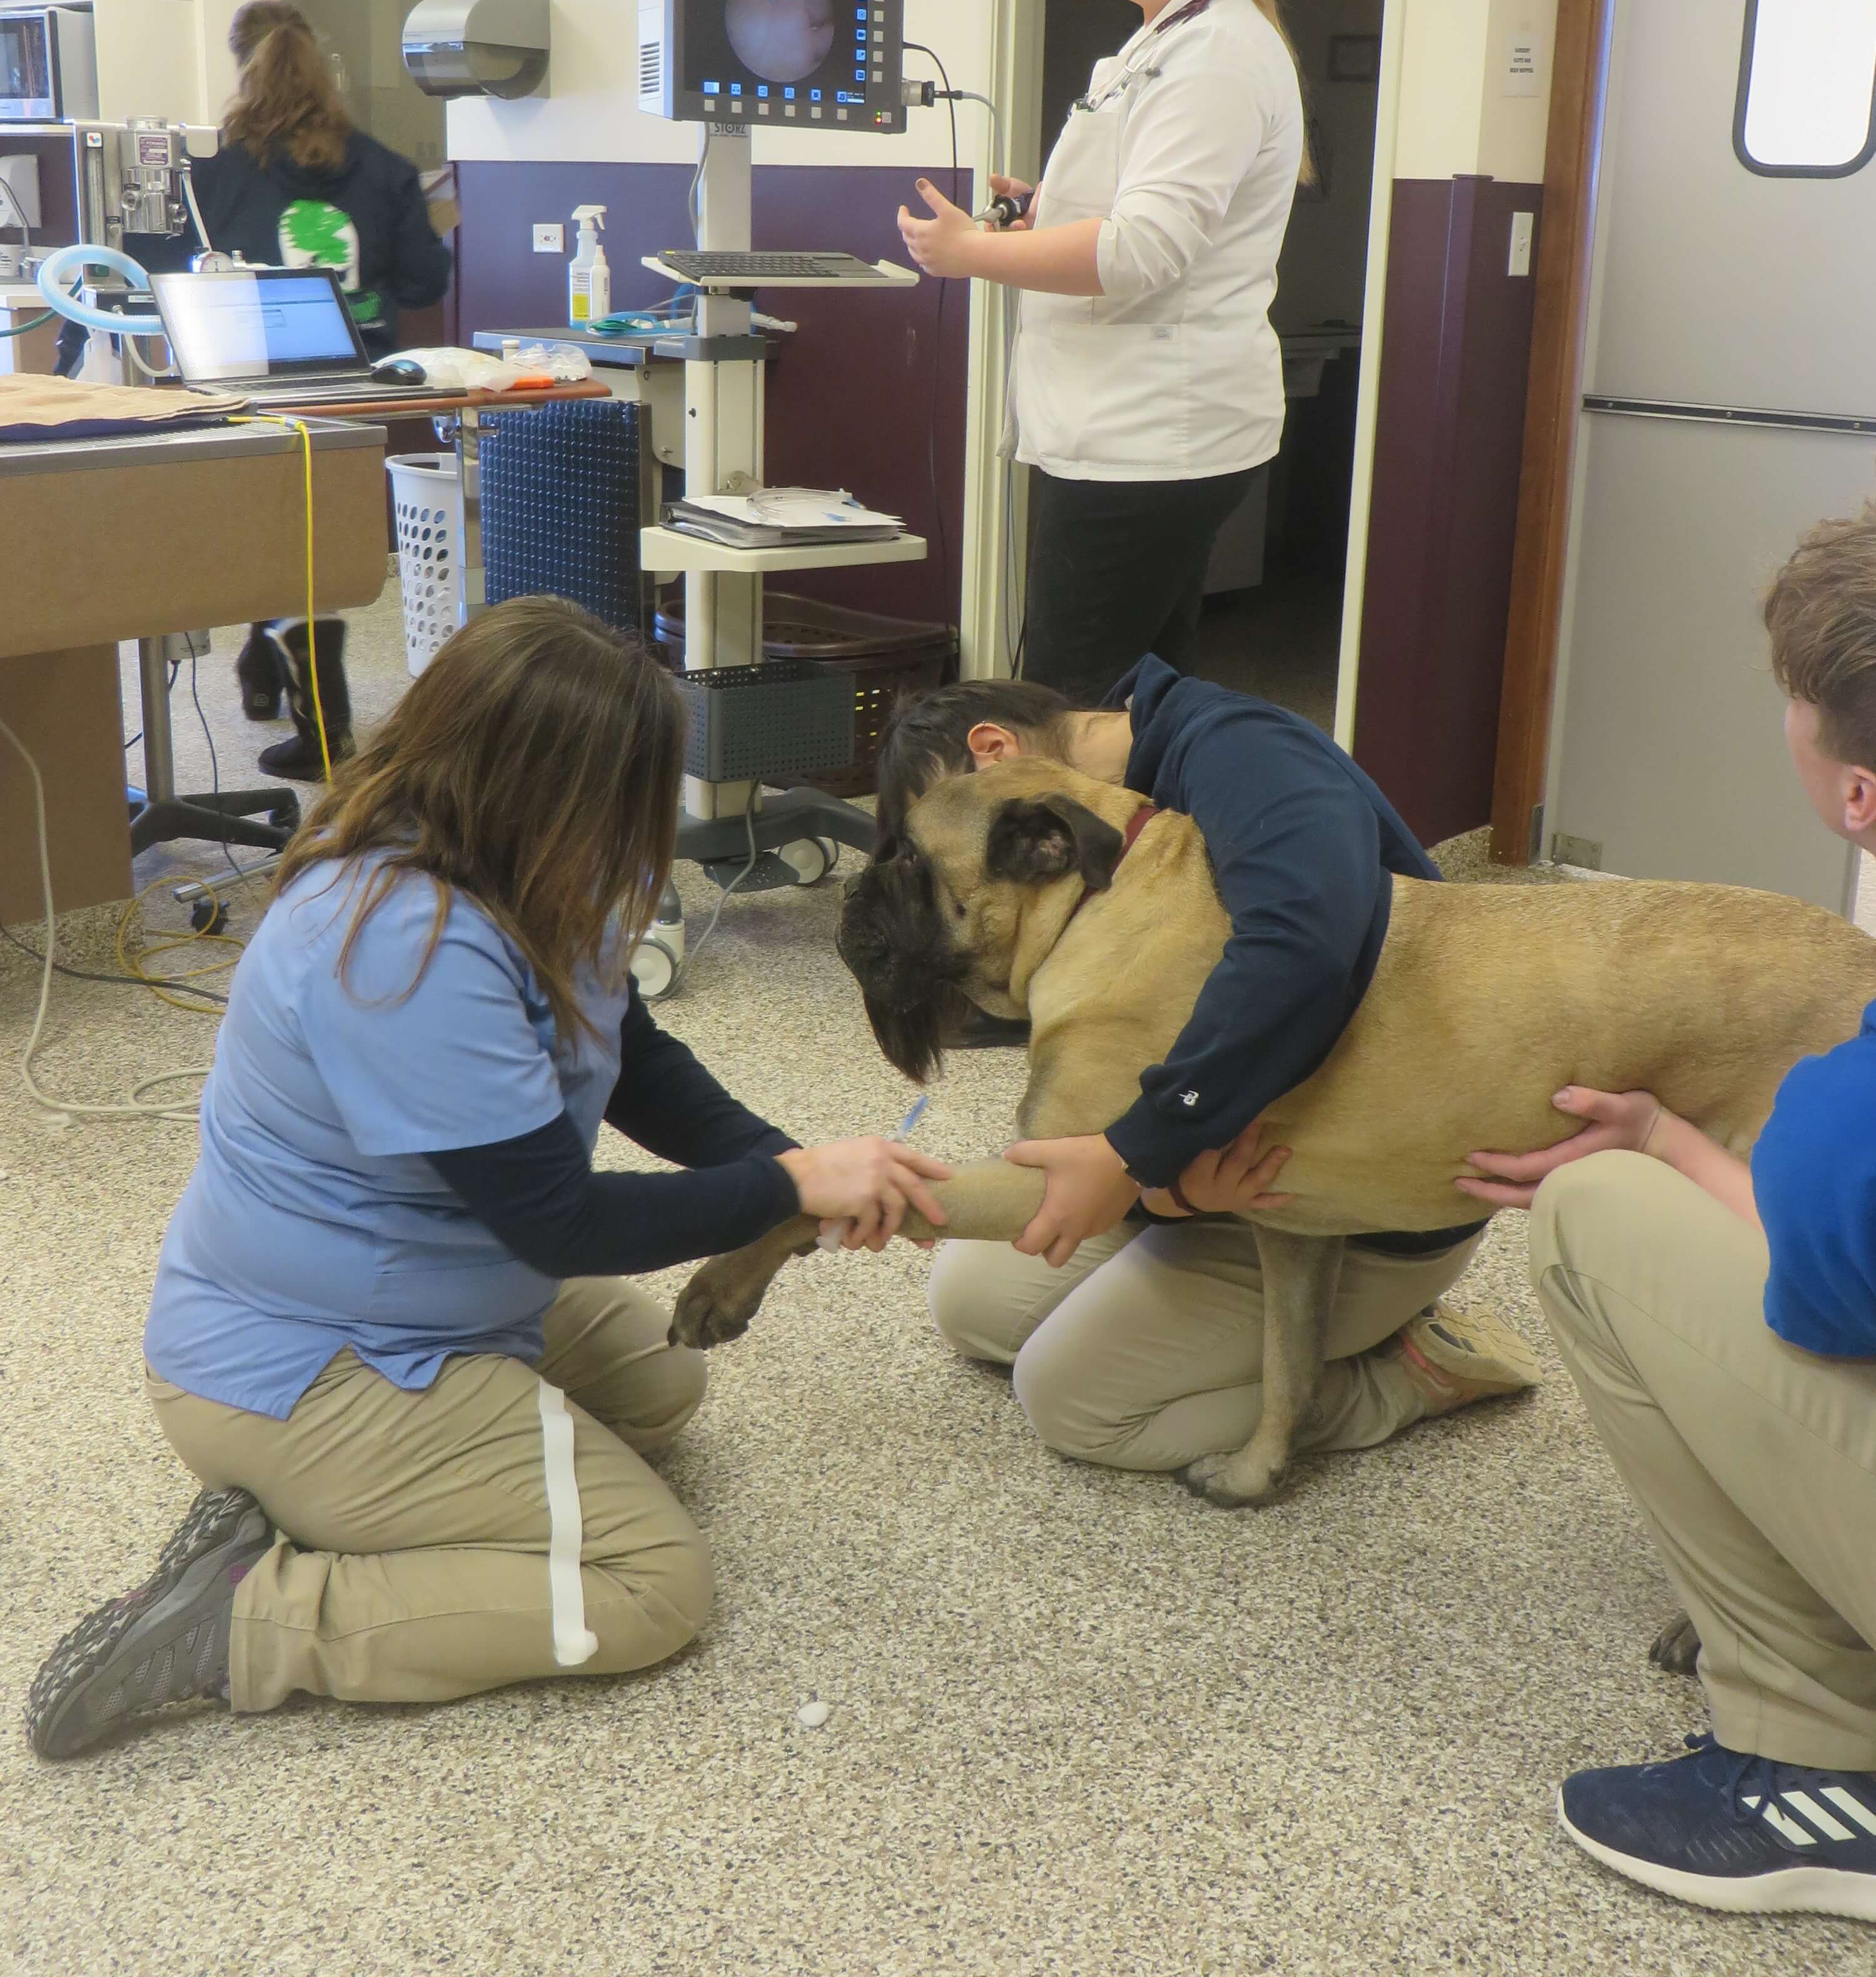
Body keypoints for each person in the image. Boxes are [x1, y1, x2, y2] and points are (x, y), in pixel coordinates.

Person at [24, 598, 952, 1761]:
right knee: (652, 1586)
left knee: (660, 1383)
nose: (644, 831)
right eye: (630, 797)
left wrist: (787, 1166)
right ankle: (246, 1622)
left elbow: (633, 1057)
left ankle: (336, 1504)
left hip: (420, 1297)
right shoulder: (400, 944)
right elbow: (559, 1223)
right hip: (303, 1362)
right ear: (548, 790)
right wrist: (792, 1189)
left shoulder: (525, 867)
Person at [1449, 508, 1876, 1923]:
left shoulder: (1848, 1108)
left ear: (1856, 792)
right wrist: (1677, 1139)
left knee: (1587, 1213)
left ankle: (1815, 1763)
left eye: (1791, 704)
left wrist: (1646, 1161)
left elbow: (1820, 1301)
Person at [870, 658, 1540, 1484]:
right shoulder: (1111, 821)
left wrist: (1145, 1147)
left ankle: (1404, 1374)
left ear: (998, 758)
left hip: (1360, 1196)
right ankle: (1224, 1313)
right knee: (971, 1304)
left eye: (936, 860)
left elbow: (1304, 945)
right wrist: (1167, 1185)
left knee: (1074, 1402)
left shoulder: (1242, 753)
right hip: (1217, 1171)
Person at [897, 0, 1308, 707]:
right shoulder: (1167, 43)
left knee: (1068, 712)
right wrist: (1047, 211)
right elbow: (1140, 210)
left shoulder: (1216, 56)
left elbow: (1142, 248)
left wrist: (975, 252)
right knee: (1141, 701)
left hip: (1144, 441)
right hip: (1139, 432)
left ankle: (1090, 806)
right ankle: (1148, 806)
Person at [195, 0, 455, 778]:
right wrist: (372, 287)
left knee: (272, 537)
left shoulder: (215, 175)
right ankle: (262, 665)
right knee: (307, 538)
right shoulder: (385, 168)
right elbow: (424, 283)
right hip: (356, 387)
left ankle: (325, 733)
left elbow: (179, 275)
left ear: (242, 67)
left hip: (249, 383)